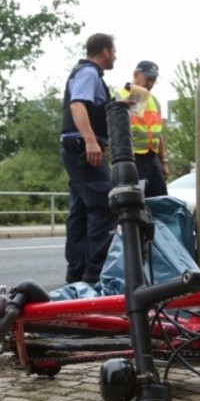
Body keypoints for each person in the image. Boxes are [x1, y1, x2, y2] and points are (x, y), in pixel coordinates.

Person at [60, 33, 117, 284]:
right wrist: (91, 141)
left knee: (81, 212)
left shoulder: (87, 73)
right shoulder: (89, 73)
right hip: (84, 150)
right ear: (105, 51)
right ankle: (95, 273)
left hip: (76, 149)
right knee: (104, 207)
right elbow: (77, 105)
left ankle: (77, 274)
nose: (116, 55)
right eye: (114, 51)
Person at [114, 60, 169, 198]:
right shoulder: (118, 95)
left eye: (154, 81)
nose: (150, 84)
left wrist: (164, 161)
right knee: (136, 200)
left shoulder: (154, 100)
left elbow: (158, 134)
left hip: (153, 158)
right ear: (136, 75)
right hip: (132, 158)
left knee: (160, 198)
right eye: (148, 79)